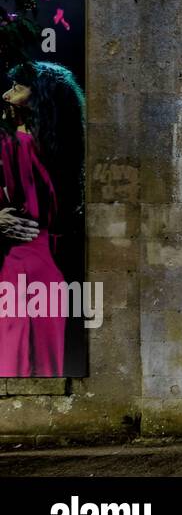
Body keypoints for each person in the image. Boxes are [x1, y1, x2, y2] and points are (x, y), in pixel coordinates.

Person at [0, 61, 85, 377]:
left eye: (17, 88)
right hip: (38, 269)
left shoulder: (18, 144)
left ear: (40, 97)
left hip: (34, 268)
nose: (7, 95)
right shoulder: (17, 143)